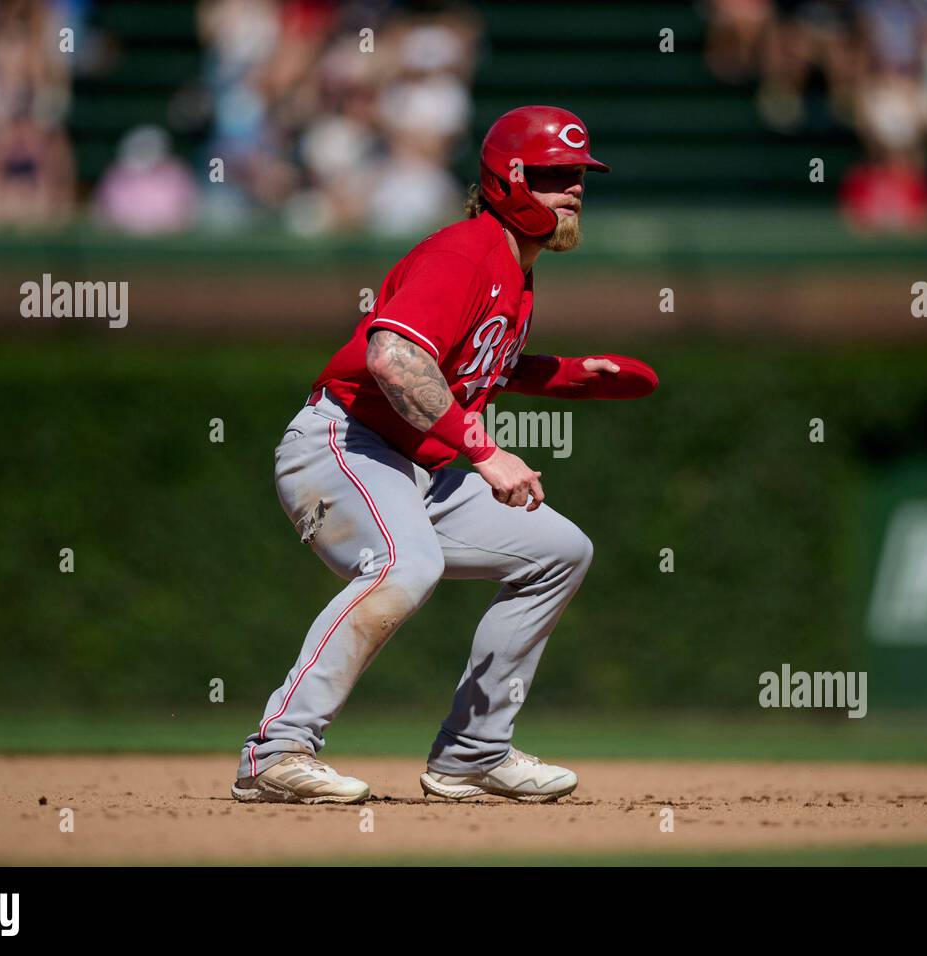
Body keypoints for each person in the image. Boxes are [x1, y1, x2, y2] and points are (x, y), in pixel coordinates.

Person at [232, 105, 658, 804]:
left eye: (579, 174)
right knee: (408, 563)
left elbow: (468, 364)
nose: (573, 189)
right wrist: (486, 453)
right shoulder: (464, 252)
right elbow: (393, 358)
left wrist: (567, 374)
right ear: (510, 180)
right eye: (555, 175)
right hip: (343, 443)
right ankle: (275, 751)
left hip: (412, 469)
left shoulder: (516, 269)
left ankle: (471, 754)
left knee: (560, 550)